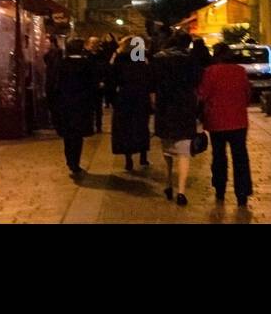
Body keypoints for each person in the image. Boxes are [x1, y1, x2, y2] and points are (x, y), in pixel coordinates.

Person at [199, 42, 254, 207]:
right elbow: (247, 94)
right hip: (238, 121)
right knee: (240, 157)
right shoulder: (240, 71)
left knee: (219, 156)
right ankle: (242, 192)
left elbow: (203, 95)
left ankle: (220, 188)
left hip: (217, 121)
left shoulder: (210, 72)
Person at [152, 30, 200, 206]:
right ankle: (181, 192)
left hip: (165, 107)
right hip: (185, 106)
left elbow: (153, 83)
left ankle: (168, 183)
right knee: (184, 151)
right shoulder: (191, 59)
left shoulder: (159, 58)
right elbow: (196, 82)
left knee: (167, 146)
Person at [47, 38, 97, 178]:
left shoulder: (61, 64)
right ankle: (75, 161)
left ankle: (70, 160)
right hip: (81, 105)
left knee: (68, 135)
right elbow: (92, 85)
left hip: (64, 104)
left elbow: (53, 85)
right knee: (78, 135)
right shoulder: (87, 64)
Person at [109, 35, 153, 172]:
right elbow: (150, 79)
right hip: (141, 97)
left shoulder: (119, 59)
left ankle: (128, 159)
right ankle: (143, 155)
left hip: (125, 97)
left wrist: (113, 99)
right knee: (141, 125)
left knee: (125, 128)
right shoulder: (142, 60)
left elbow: (112, 79)